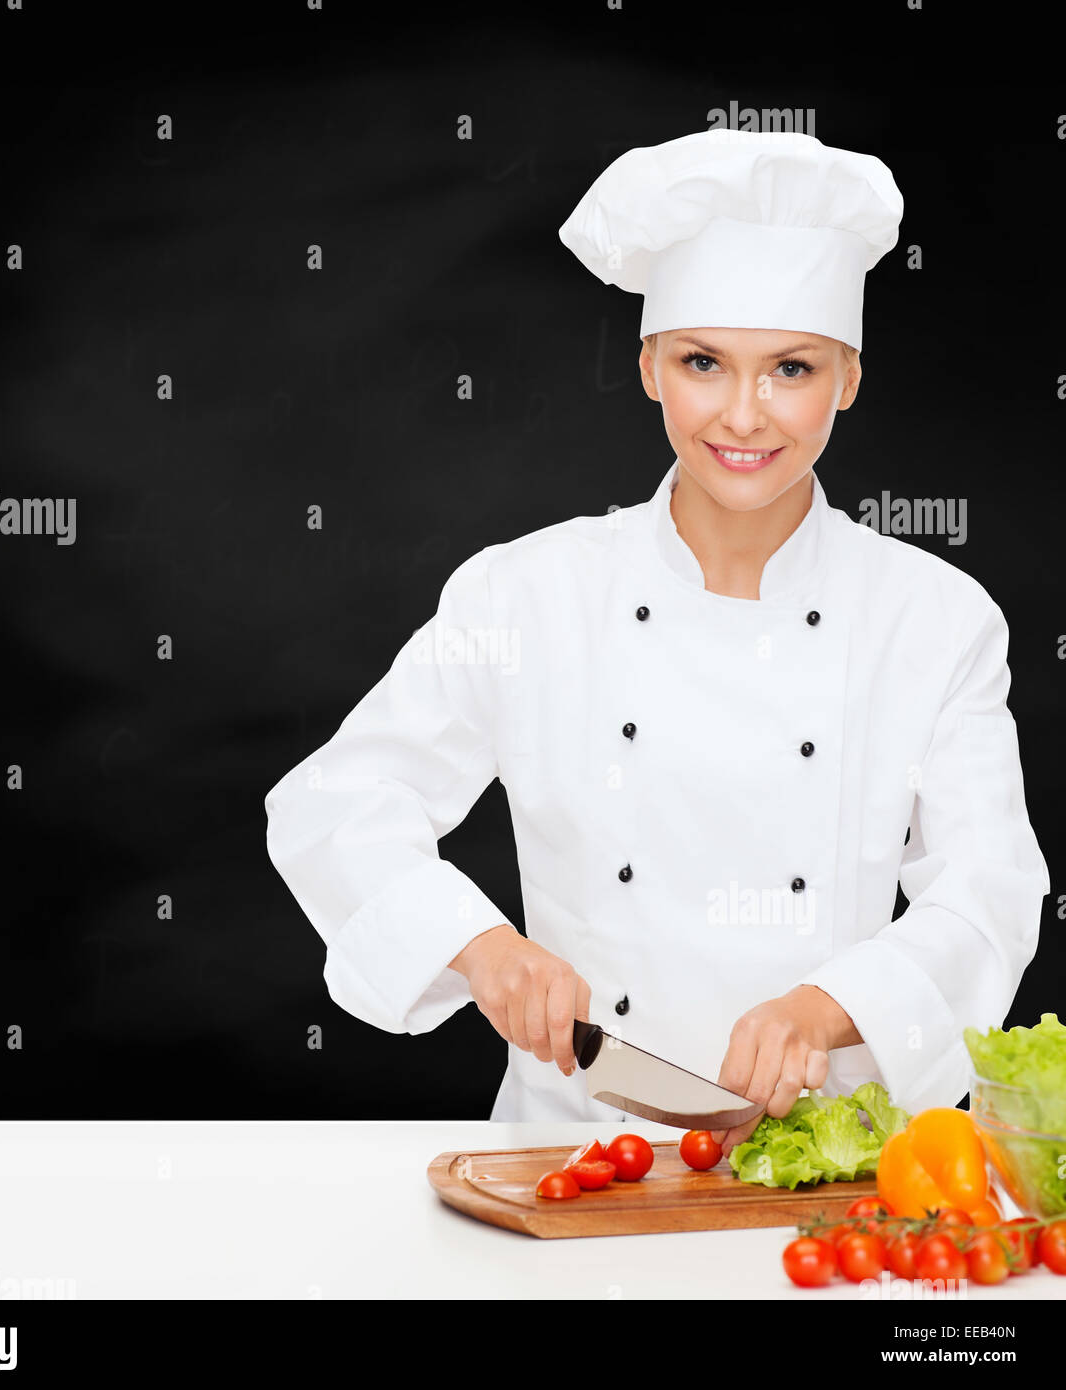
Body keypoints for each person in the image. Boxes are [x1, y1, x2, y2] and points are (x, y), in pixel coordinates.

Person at [264, 129, 1049, 1146]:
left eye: (792, 368)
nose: (744, 416)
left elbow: (990, 891)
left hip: (824, 1162)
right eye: (702, 362)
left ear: (849, 377)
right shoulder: (525, 595)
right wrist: (483, 947)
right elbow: (336, 804)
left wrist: (827, 1008)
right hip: (573, 1149)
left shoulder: (936, 619)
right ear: (648, 368)